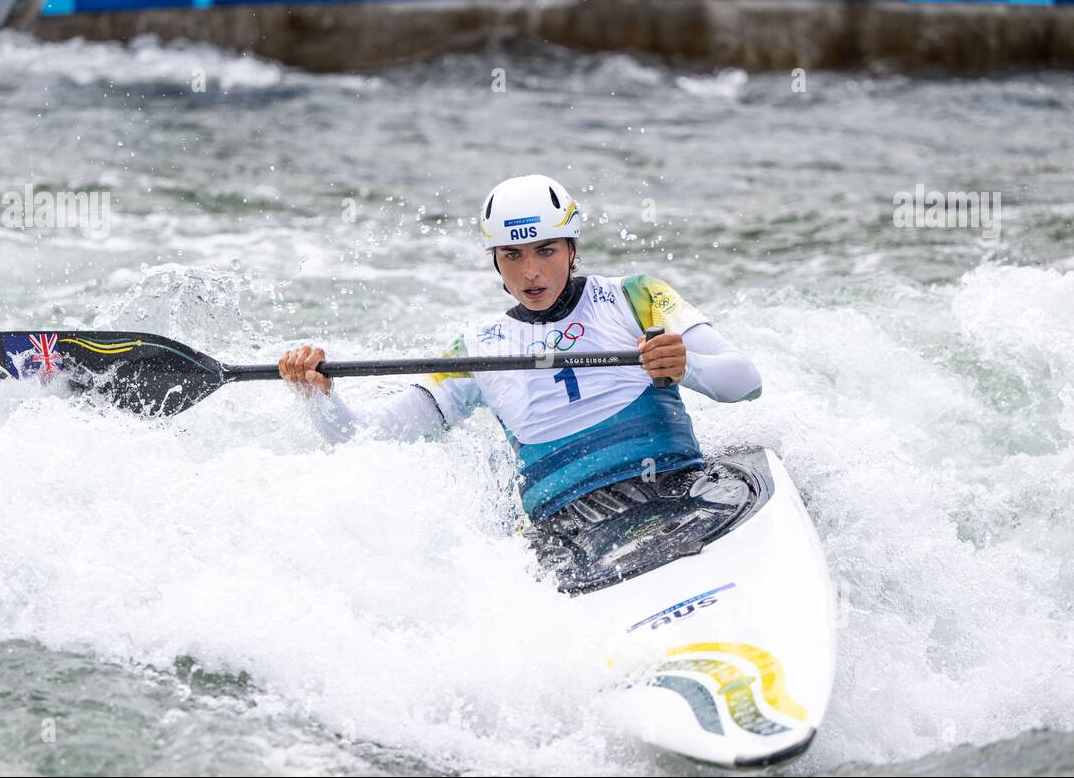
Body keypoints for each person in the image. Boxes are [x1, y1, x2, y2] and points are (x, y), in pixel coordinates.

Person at [278, 174, 762, 567]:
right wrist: (318, 396)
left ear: (571, 249)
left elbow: (746, 382)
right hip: (568, 534)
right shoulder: (475, 350)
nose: (530, 271)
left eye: (545, 251)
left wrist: (687, 366)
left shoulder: (636, 297)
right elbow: (367, 439)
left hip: (678, 491)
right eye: (512, 255)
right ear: (495, 261)